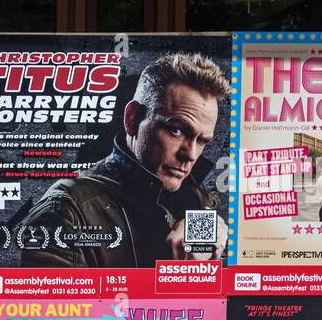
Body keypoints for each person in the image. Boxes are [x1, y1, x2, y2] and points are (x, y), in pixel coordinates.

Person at [13, 52, 229, 267]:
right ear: (133, 119)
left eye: (202, 141)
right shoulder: (65, 210)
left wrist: (209, 234)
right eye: (176, 130)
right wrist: (171, 278)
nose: (191, 154)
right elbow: (52, 302)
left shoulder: (198, 199)